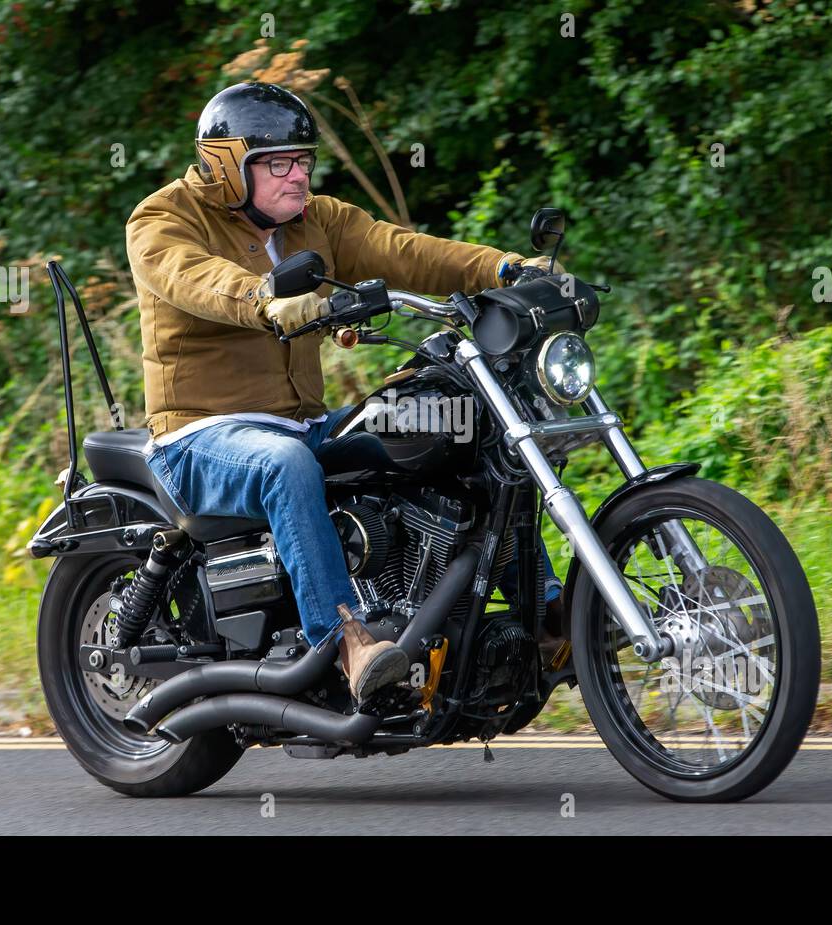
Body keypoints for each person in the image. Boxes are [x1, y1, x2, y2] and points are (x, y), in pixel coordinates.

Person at [126, 81, 564, 703]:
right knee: (284, 465)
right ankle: (346, 643)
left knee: (452, 424)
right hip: (199, 434)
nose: (298, 177)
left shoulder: (319, 219)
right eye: (278, 164)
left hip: (300, 422)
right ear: (226, 165)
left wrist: (505, 270)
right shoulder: (163, 219)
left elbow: (402, 250)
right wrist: (267, 299)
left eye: (303, 161)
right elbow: (192, 277)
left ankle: (547, 612)